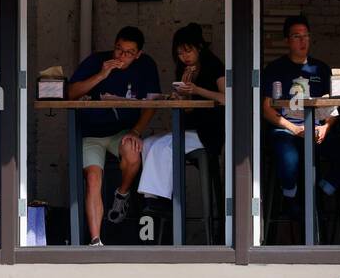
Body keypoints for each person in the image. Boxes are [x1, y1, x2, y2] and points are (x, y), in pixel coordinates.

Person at [68, 26, 161, 245]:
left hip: (123, 131)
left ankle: (122, 195)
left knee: (133, 151)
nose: (121, 56)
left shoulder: (146, 66)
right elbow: (69, 93)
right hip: (91, 133)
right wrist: (101, 75)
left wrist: (136, 131)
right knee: (93, 178)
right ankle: (95, 240)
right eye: (119, 49)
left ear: (138, 54)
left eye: (129, 52)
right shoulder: (96, 62)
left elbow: (153, 102)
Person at [138, 23, 226, 206]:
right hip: (188, 128)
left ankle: (159, 203)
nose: (184, 57)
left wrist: (197, 90)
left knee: (163, 147)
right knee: (147, 144)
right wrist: (179, 96)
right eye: (179, 53)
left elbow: (227, 98)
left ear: (199, 47)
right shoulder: (183, 69)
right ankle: (151, 199)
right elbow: (188, 108)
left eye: (188, 51)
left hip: (208, 132)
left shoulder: (214, 65)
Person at [261, 15, 336, 221]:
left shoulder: (321, 69)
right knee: (290, 158)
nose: (303, 41)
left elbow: (334, 106)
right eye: (297, 36)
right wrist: (294, 129)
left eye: (306, 36)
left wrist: (325, 128)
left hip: (316, 130)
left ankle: (320, 191)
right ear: (287, 40)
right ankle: (291, 200)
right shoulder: (275, 69)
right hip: (287, 128)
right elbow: (266, 109)